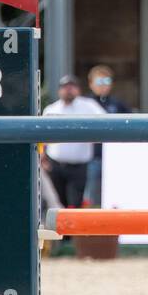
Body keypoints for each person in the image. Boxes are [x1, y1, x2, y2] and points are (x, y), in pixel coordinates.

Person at [41, 75, 105, 208]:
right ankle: (61, 229)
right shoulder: (51, 109)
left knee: (76, 203)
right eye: (65, 87)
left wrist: (93, 134)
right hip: (56, 164)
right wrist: (43, 156)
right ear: (59, 90)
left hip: (79, 165)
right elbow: (43, 137)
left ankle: (74, 229)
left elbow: (106, 122)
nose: (69, 90)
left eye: (72, 87)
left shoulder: (88, 106)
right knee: (58, 203)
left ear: (78, 89)